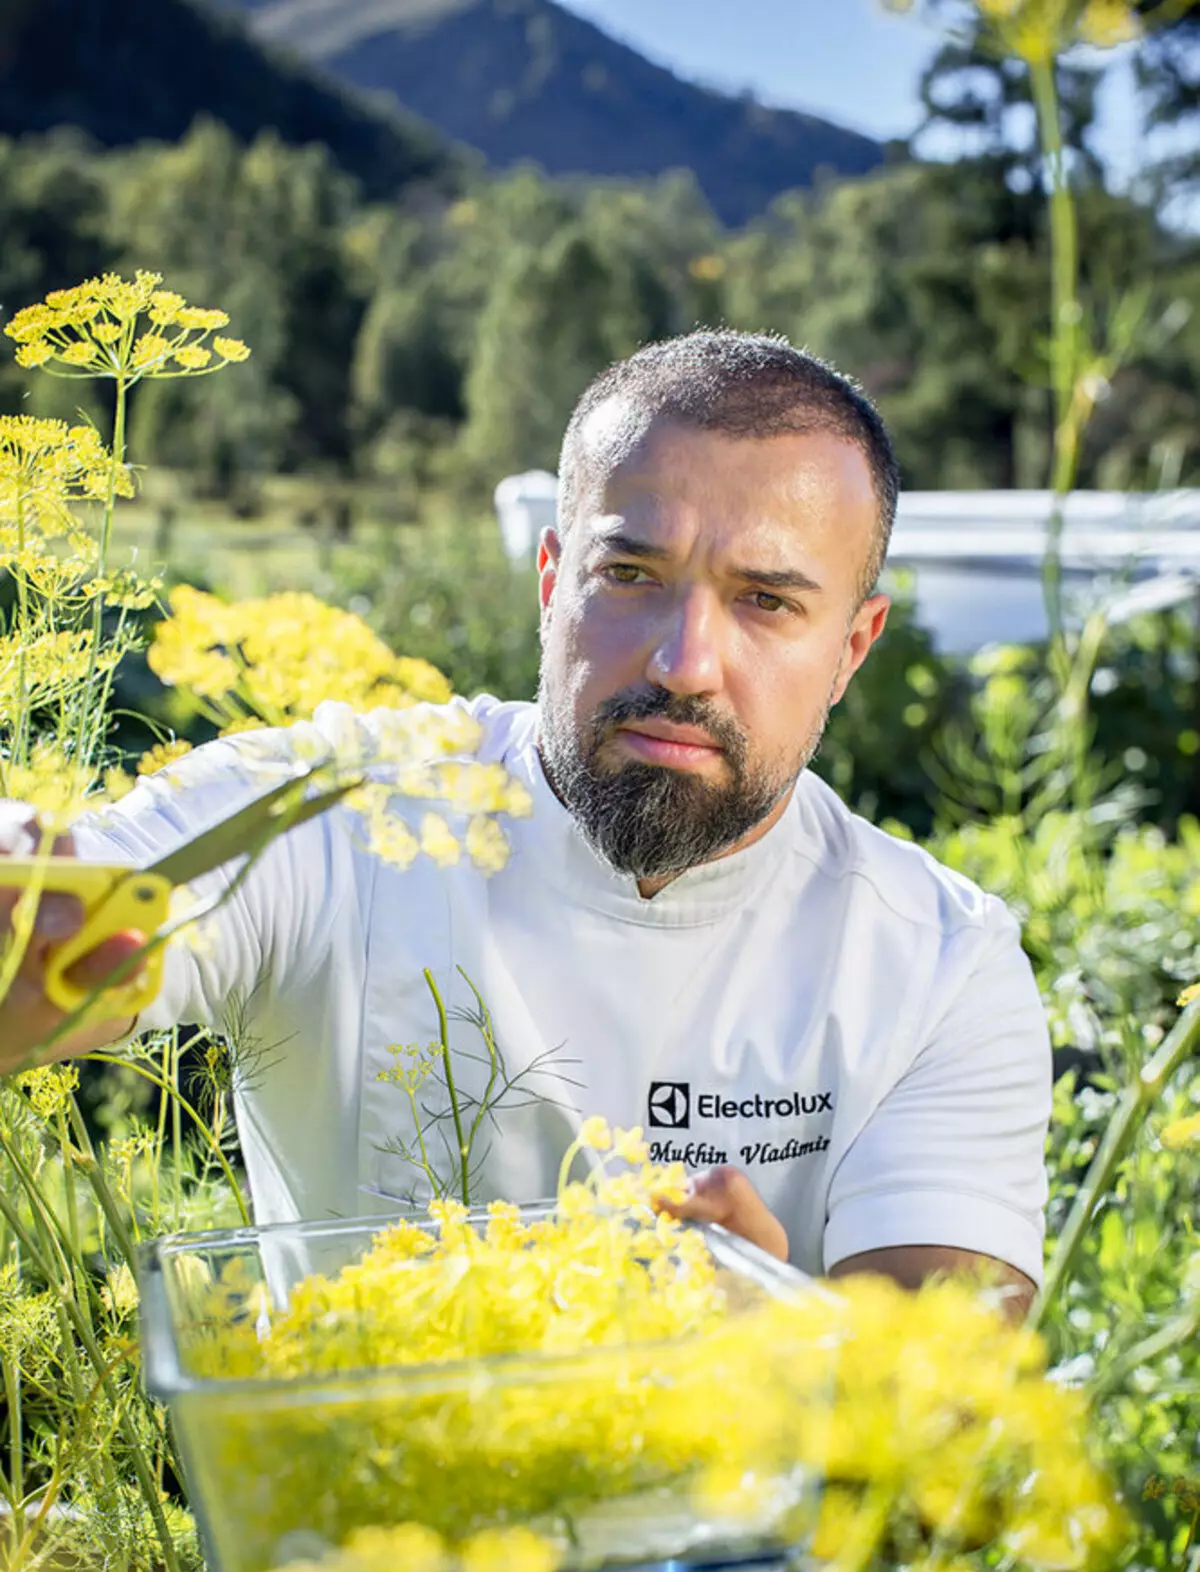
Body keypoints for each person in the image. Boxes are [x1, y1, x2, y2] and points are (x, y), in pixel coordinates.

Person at [0, 331, 1051, 1317]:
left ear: (852, 648)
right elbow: (91, 908)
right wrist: (32, 918)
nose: (683, 662)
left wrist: (768, 1338)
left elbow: (948, 1404)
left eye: (766, 603)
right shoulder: (332, 815)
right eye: (629, 576)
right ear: (552, 585)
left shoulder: (940, 966)